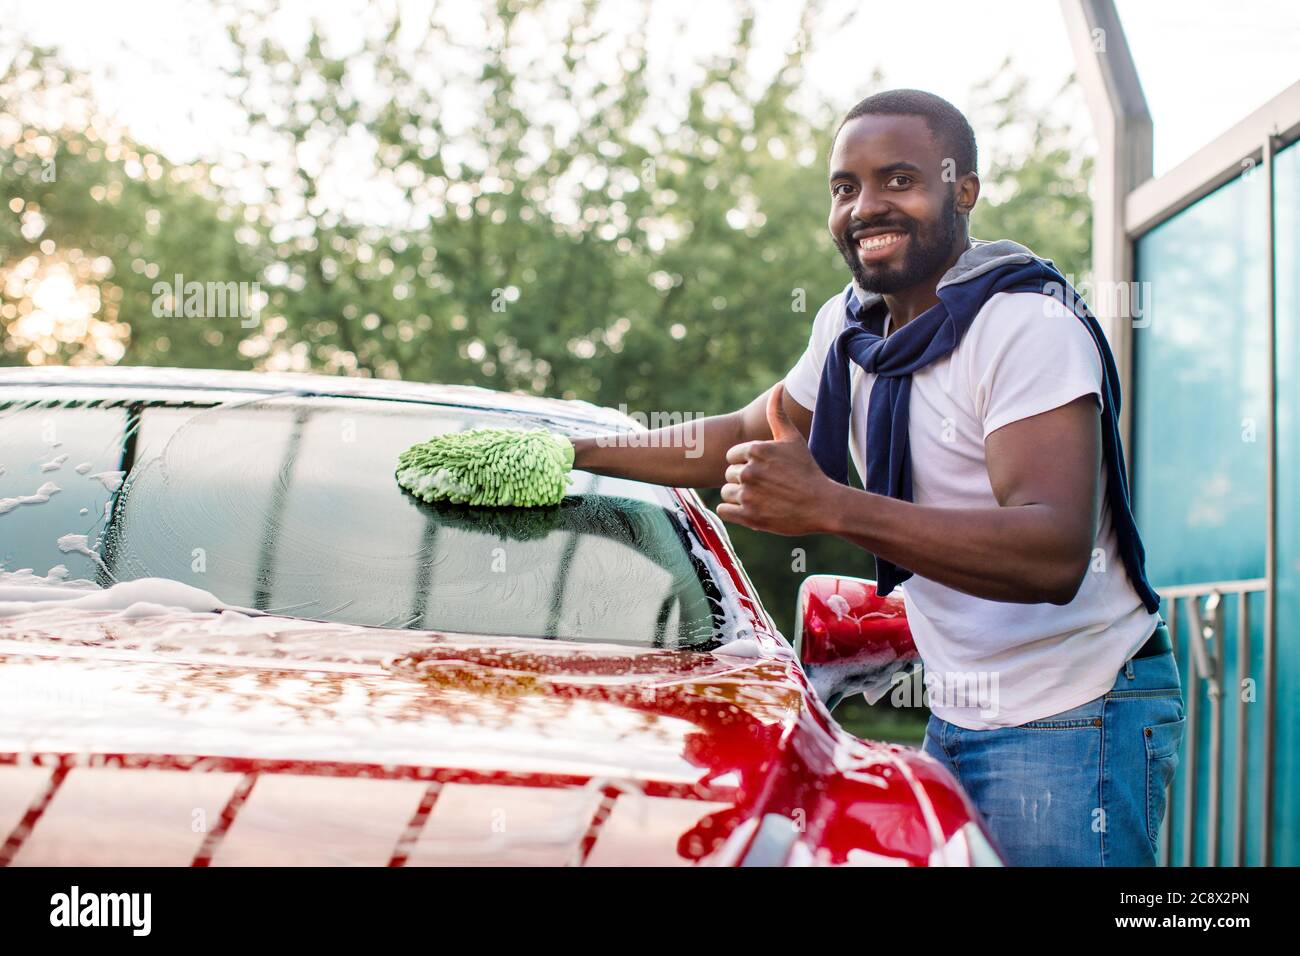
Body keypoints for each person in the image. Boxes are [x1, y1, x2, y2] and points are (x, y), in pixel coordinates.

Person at [571, 89, 1184, 866]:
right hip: (960, 706)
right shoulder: (851, 326)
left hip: (1075, 707)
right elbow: (730, 435)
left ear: (963, 190)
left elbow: (1052, 554)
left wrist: (829, 505)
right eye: (845, 187)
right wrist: (573, 453)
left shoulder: (1024, 324)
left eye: (899, 180)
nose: (866, 207)